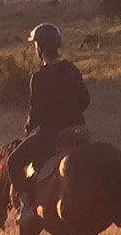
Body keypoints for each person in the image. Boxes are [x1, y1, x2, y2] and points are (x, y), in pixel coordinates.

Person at [11, 22, 91, 221]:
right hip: (79, 131)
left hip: (52, 135)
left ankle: (27, 206)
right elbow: (85, 100)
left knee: (12, 161)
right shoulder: (72, 69)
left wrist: (29, 125)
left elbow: (36, 111)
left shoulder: (39, 77)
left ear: (39, 47)